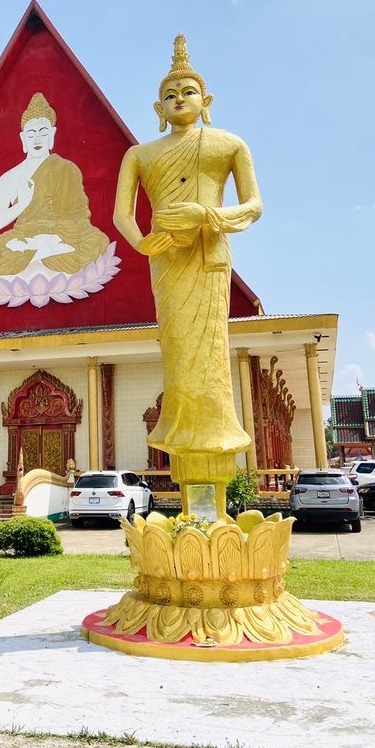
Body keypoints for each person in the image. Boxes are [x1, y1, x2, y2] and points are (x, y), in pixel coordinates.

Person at [113, 35, 263, 488]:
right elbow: (121, 214)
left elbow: (253, 206)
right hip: (168, 259)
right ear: (157, 108)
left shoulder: (228, 144)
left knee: (212, 350)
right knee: (178, 351)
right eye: (170, 96)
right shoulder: (140, 154)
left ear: (206, 100)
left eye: (188, 92)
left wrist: (208, 214)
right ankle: (182, 441)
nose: (180, 100)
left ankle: (217, 442)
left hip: (208, 254)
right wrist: (141, 243)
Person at [0, 92, 109, 277]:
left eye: (43, 132)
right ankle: (41, 251)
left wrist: (55, 235)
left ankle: (38, 252)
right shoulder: (10, 177)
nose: (37, 139)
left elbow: (79, 218)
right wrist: (22, 203)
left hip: (62, 236)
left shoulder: (67, 169)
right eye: (31, 134)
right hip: (25, 236)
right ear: (23, 139)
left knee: (98, 241)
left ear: (52, 134)